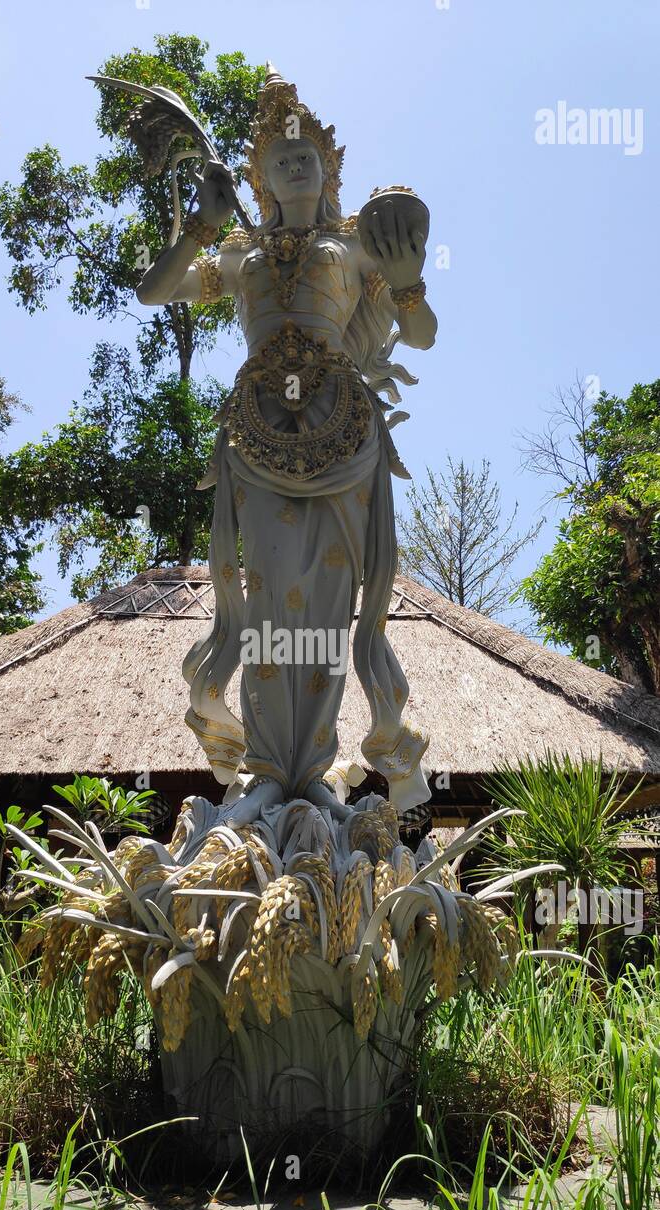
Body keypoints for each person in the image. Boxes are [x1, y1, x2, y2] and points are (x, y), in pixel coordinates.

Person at [137, 67, 437, 828]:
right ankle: (270, 768)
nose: (296, 161)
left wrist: (406, 285)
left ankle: (318, 773)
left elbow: (425, 336)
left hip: (342, 432)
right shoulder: (237, 256)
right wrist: (197, 231)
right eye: (280, 154)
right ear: (259, 175)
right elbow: (153, 291)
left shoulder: (355, 245)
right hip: (259, 433)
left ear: (329, 168)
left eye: (307, 152)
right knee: (269, 597)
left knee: (331, 607)